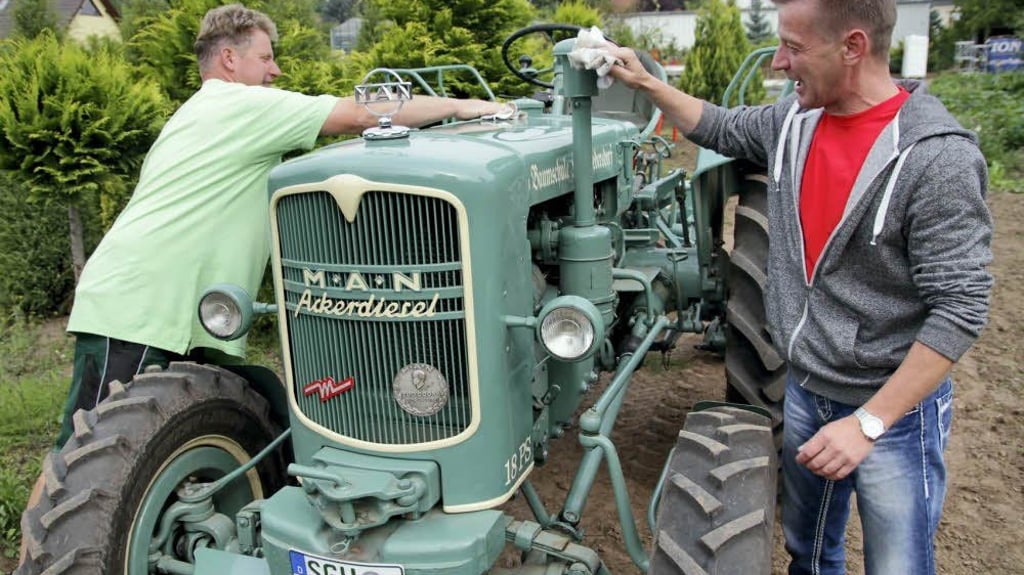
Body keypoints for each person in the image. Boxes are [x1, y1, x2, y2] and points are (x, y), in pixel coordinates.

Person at [19, 2, 506, 566]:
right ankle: (41, 559)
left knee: (177, 441)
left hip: (180, 310)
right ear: (229, 59)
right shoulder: (237, 105)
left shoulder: (202, 113)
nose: (275, 70)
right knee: (82, 462)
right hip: (139, 306)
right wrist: (472, 107)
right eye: (265, 57)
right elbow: (359, 114)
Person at [607, 0, 992, 573]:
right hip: (808, 390)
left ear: (853, 48)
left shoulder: (936, 159)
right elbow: (718, 124)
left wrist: (869, 423)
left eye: (794, 46)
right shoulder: (793, 124)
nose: (781, 62)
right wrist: (644, 82)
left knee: (898, 563)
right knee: (809, 554)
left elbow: (960, 307)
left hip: (890, 411)